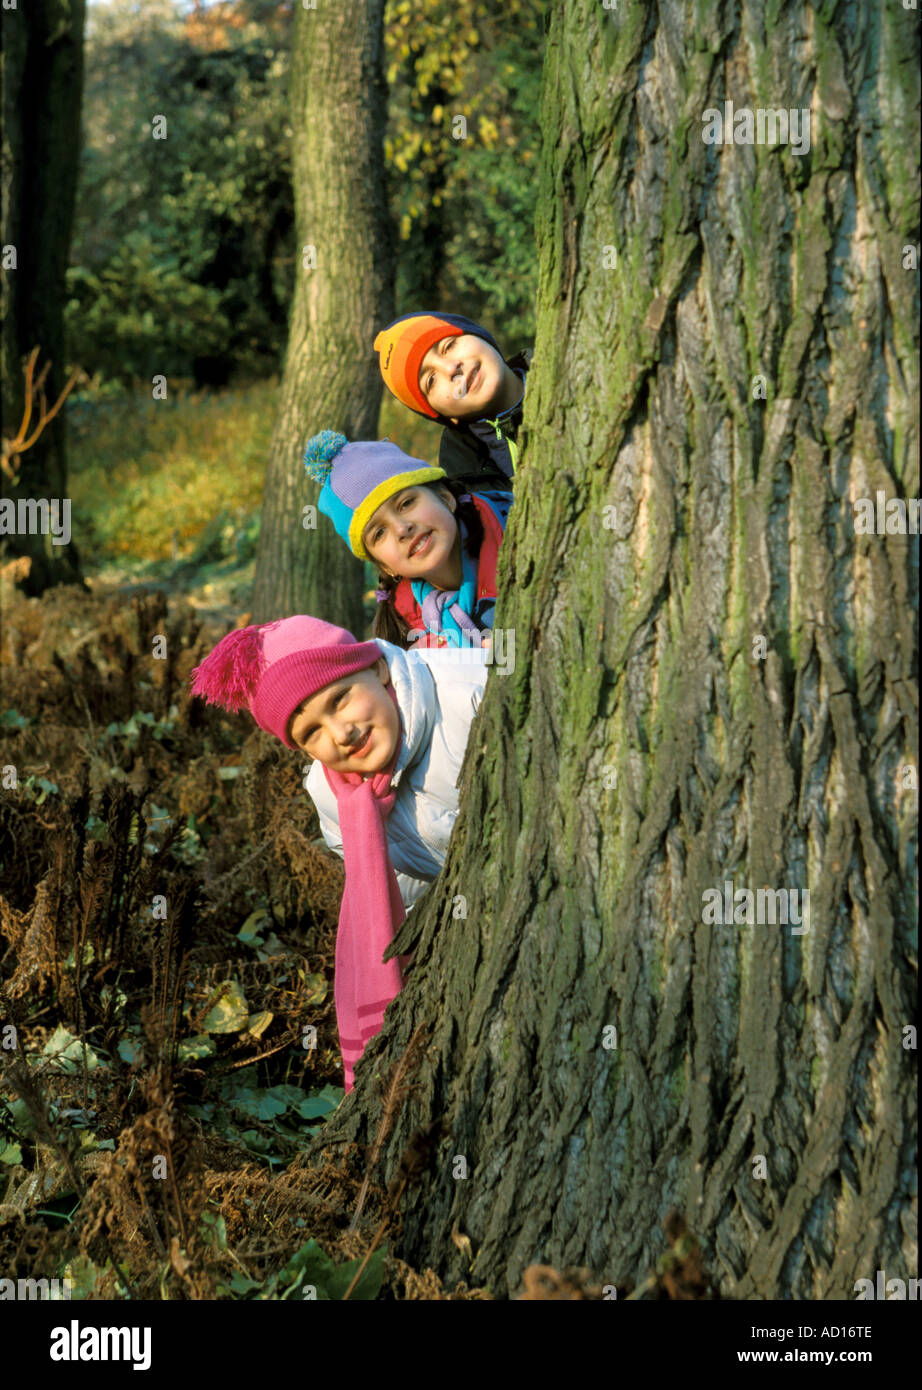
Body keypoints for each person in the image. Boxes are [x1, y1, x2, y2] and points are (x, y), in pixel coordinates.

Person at [189, 614, 486, 1091]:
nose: (342, 733)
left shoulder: (473, 696)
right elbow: (398, 903)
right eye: (312, 733)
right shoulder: (337, 798)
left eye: (340, 699)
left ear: (378, 669)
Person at [303, 430, 512, 650]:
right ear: (385, 566)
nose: (402, 529)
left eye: (406, 503)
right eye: (379, 533)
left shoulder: (517, 528)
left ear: (445, 497)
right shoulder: (403, 637)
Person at [373, 311, 530, 488]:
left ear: (479, 336)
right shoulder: (466, 491)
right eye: (431, 380)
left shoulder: (566, 360)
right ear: (444, 416)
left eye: (449, 346)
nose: (451, 368)